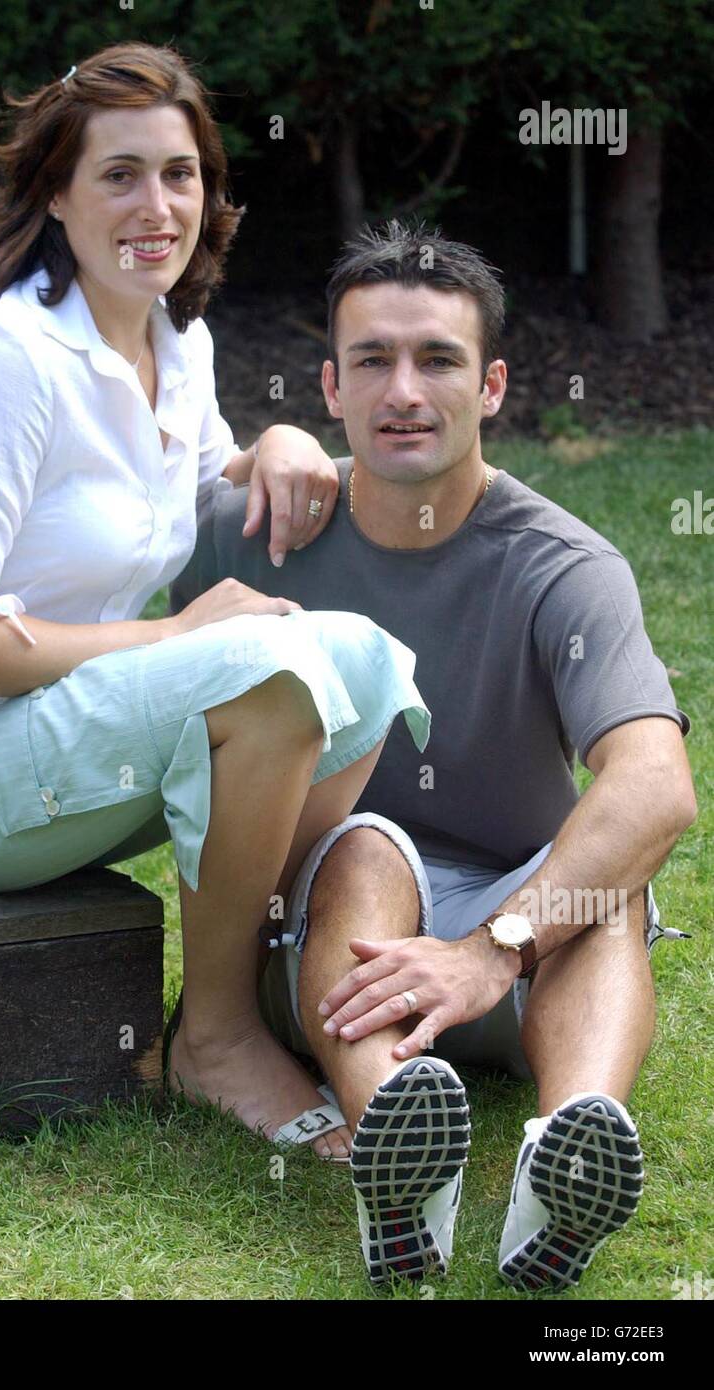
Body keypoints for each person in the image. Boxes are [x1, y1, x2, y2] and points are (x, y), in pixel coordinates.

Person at [0, 49, 433, 1162]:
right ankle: (212, 1042)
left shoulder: (174, 339)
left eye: (180, 173)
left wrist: (280, 440)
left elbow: (203, 468)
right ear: (54, 194)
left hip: (54, 754)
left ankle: (266, 995)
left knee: (359, 658)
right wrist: (171, 636)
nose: (155, 207)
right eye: (118, 176)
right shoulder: (4, 362)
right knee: (262, 668)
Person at [170, 219, 697, 1287]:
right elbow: (102, 518)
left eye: (437, 360)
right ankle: (395, 1159)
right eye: (373, 359)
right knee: (366, 846)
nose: (403, 389)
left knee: (604, 889)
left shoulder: (564, 567)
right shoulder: (249, 524)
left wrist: (492, 947)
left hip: (514, 956)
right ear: (329, 385)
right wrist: (256, 446)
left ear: (492, 386)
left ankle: (565, 1150)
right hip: (319, 945)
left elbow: (656, 785)